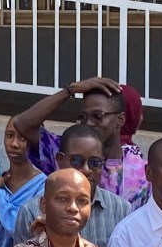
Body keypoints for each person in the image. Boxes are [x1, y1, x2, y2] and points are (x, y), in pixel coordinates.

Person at [15, 76, 148, 206]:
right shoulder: (67, 153)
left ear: (120, 120)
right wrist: (70, 90)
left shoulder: (142, 172)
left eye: (97, 116)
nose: (88, 123)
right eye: (83, 117)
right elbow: (22, 124)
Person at [7, 123, 134, 247]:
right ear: (60, 160)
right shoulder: (31, 211)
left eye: (95, 162)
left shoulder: (121, 210)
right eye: (76, 161)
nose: (86, 169)